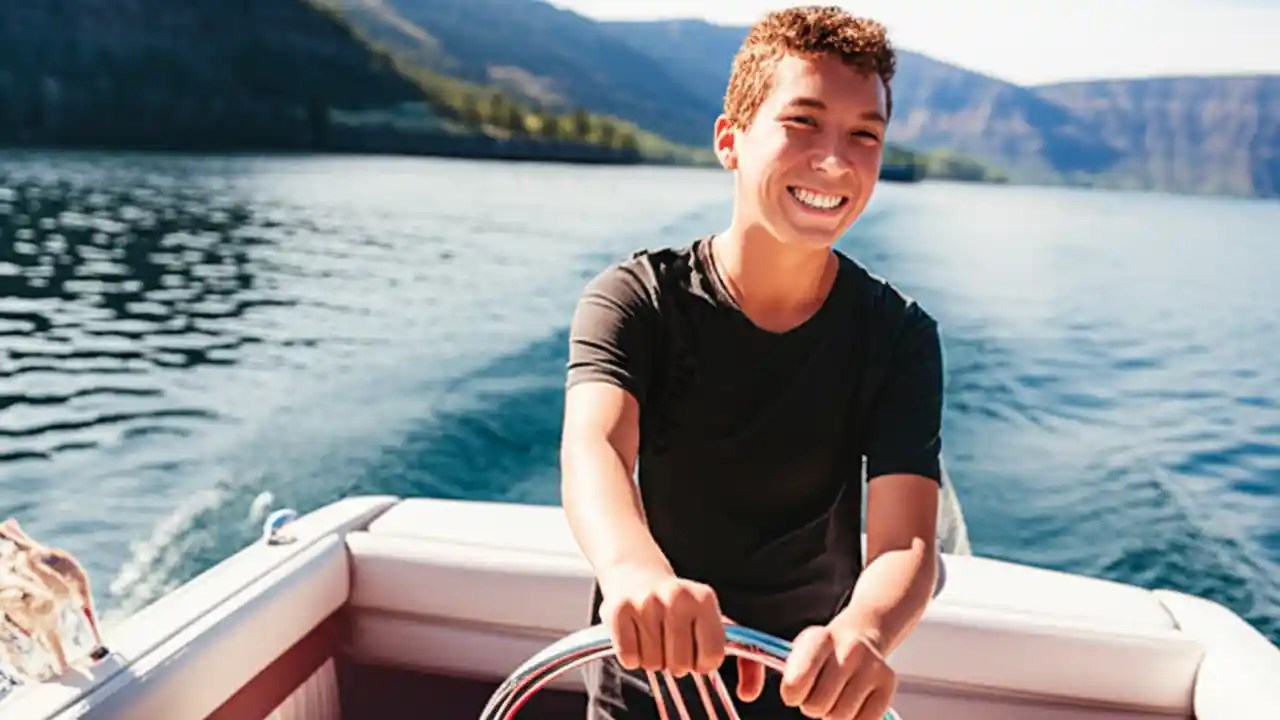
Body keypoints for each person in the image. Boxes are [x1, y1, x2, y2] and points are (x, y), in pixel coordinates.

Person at [561, 6, 943, 719]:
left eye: (865, 135)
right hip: (642, 692)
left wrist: (863, 633)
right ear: (730, 141)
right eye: (803, 122)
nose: (836, 160)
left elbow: (907, 542)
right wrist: (632, 573)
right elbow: (596, 452)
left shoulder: (899, 336)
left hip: (812, 694)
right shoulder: (634, 301)